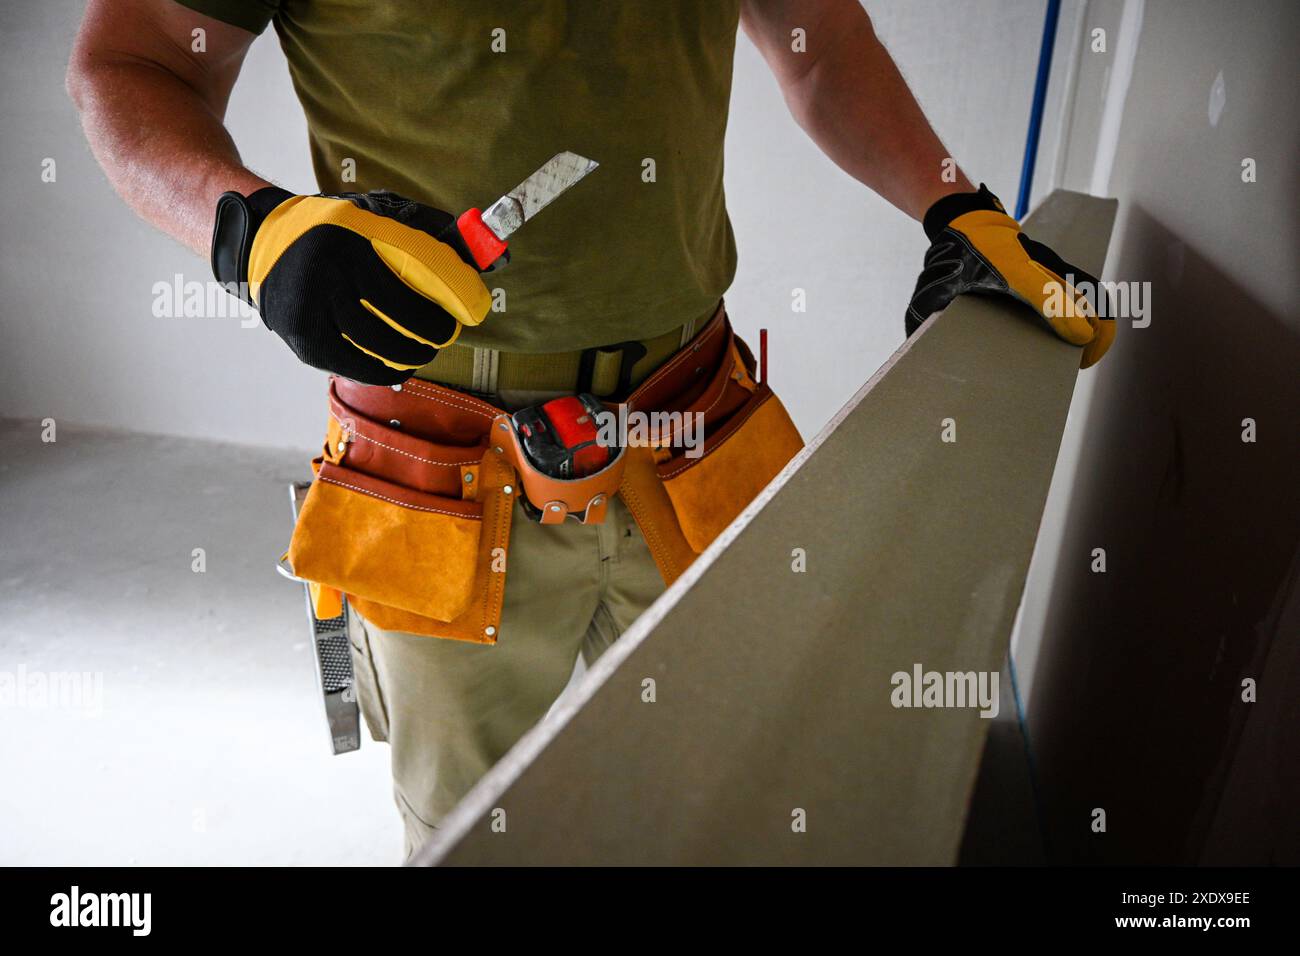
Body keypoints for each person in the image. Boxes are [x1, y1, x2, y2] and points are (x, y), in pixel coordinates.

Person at [67, 0, 1111, 859]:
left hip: (695, 424)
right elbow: (129, 62)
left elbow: (820, 39)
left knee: (732, 798)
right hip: (434, 461)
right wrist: (249, 230)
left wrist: (954, 209)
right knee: (467, 831)